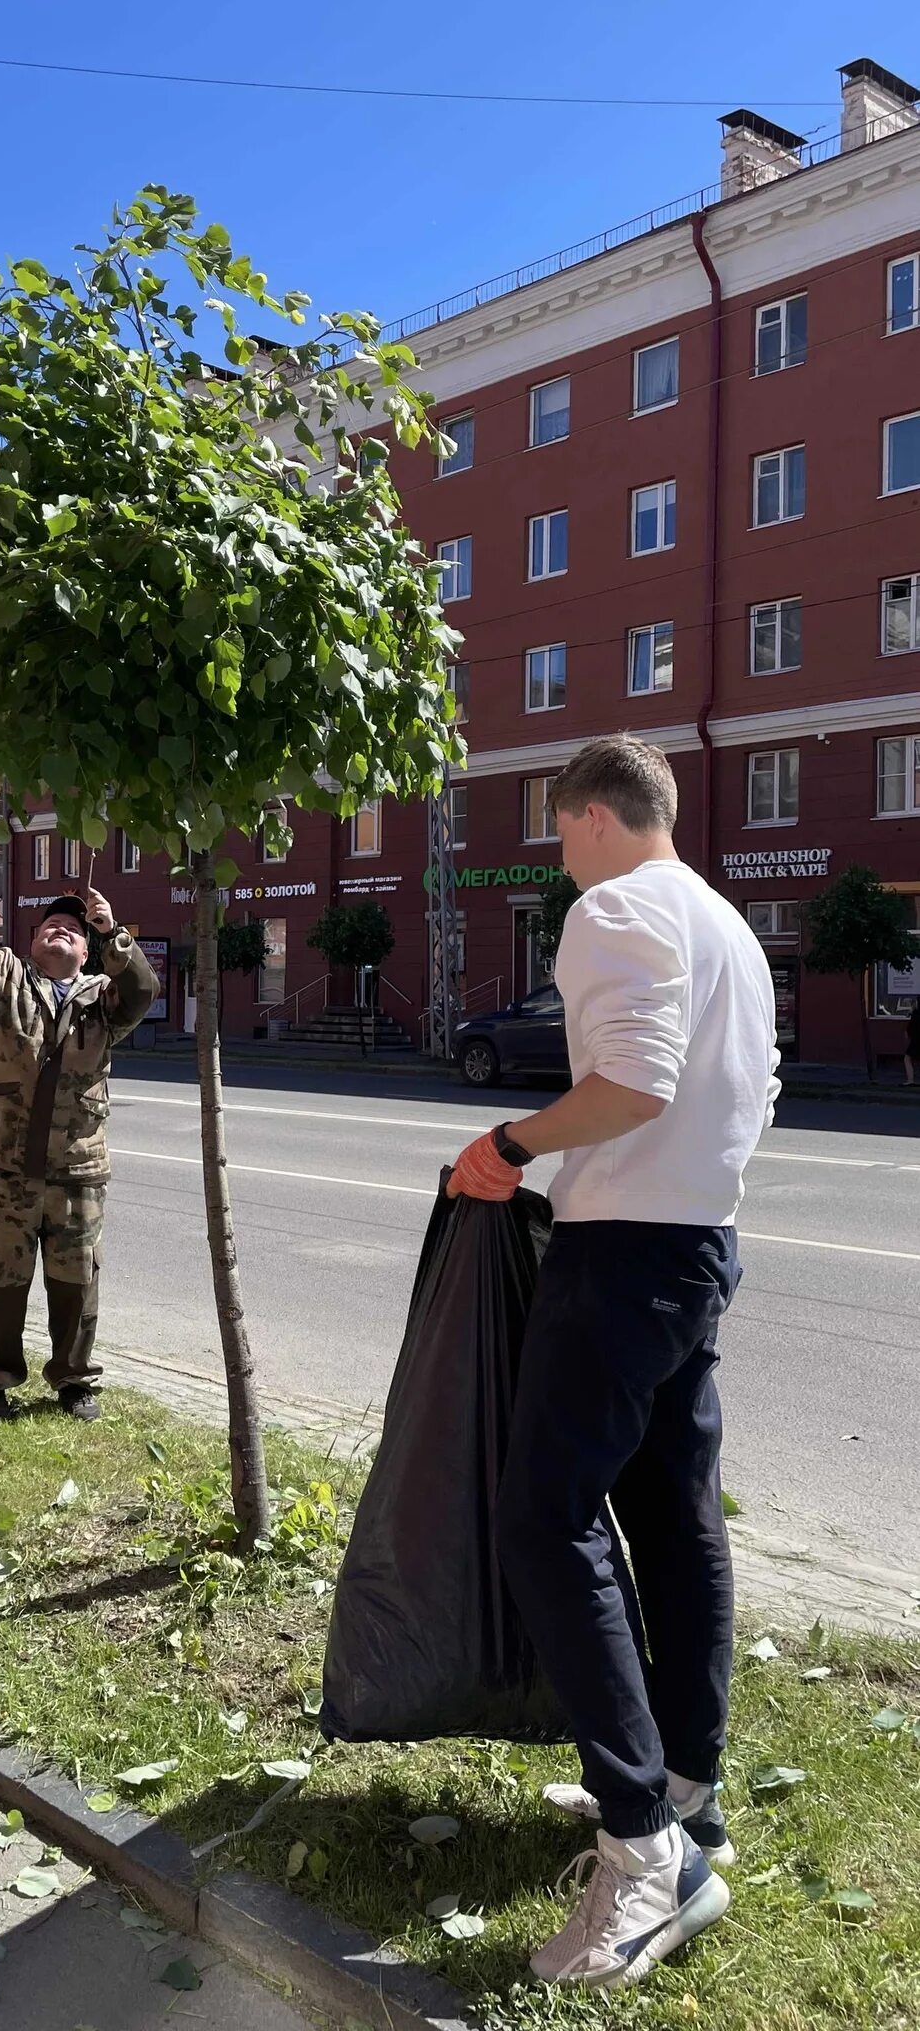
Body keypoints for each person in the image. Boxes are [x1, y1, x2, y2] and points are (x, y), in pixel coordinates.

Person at [446, 734, 779, 1991]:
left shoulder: (619, 905)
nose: (556, 854)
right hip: (698, 1244)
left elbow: (631, 1083)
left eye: (557, 828)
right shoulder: (729, 927)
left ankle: (644, 1852)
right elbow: (756, 1087)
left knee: (543, 1519)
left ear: (591, 816)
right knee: (672, 1514)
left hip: (625, 1258)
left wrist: (512, 1142)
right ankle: (683, 1786)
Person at [0, 854, 156, 1423]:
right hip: (5, 1166)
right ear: (31, 940)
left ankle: (74, 1381)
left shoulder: (104, 1000)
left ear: (87, 950)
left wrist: (114, 931)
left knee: (76, 1280)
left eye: (75, 928)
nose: (61, 929)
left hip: (76, 1169)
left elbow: (142, 990)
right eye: (50, 925)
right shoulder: (3, 980)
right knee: (1, 1278)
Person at [904, 996, 920, 1086]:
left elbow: (910, 1028)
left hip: (916, 1040)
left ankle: (910, 1080)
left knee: (907, 1058)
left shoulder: (916, 1013)